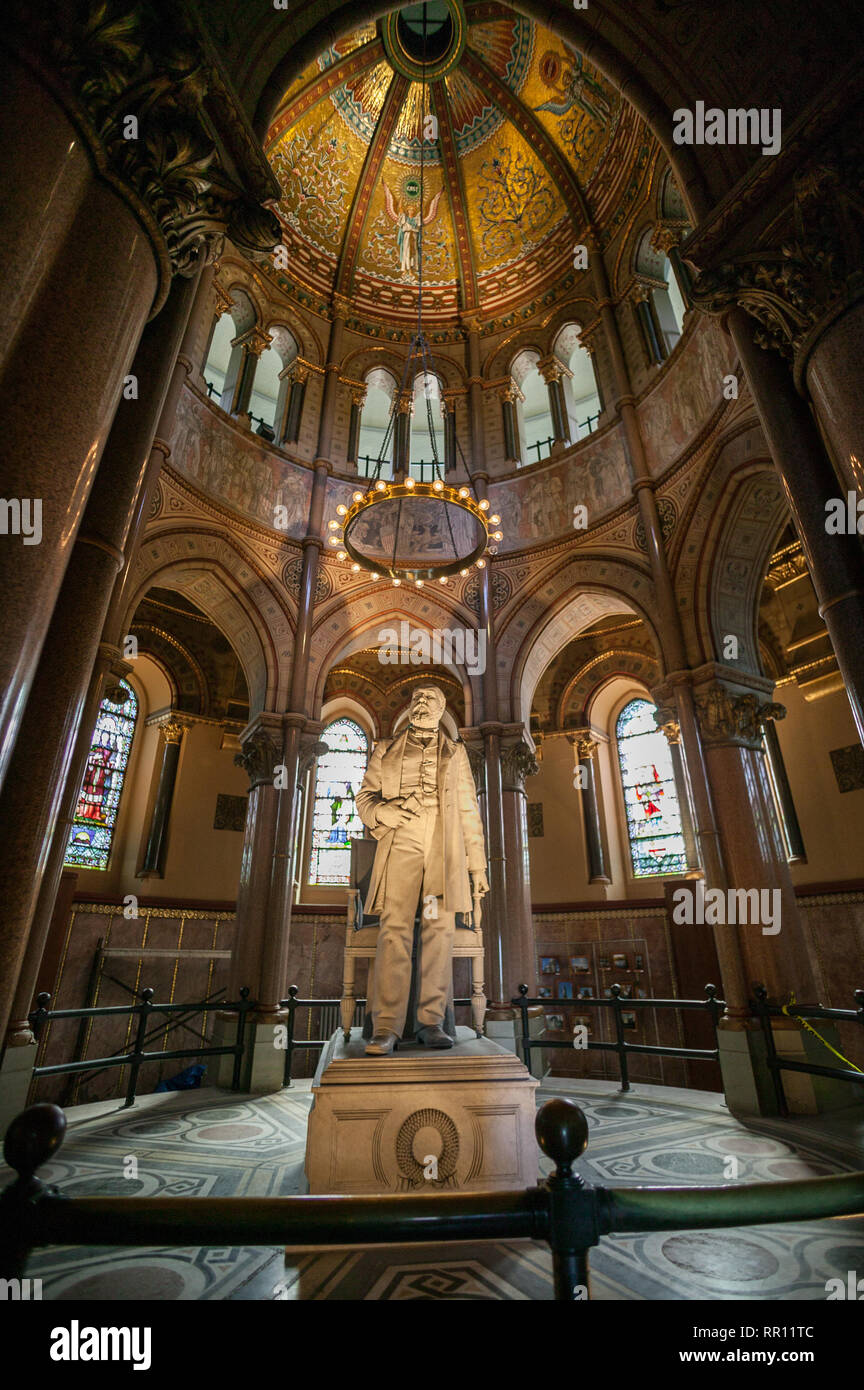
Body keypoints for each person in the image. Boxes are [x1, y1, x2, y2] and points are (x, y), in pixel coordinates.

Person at [356, 682, 489, 1055]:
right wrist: (386, 811)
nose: (422, 705)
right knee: (394, 928)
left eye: (430, 700)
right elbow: (365, 798)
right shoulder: (385, 749)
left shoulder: (455, 753)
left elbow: (468, 811)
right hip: (402, 842)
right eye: (417, 700)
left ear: (441, 709)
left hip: (441, 849)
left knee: (437, 928)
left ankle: (430, 1021)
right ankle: (386, 1027)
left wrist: (476, 866)